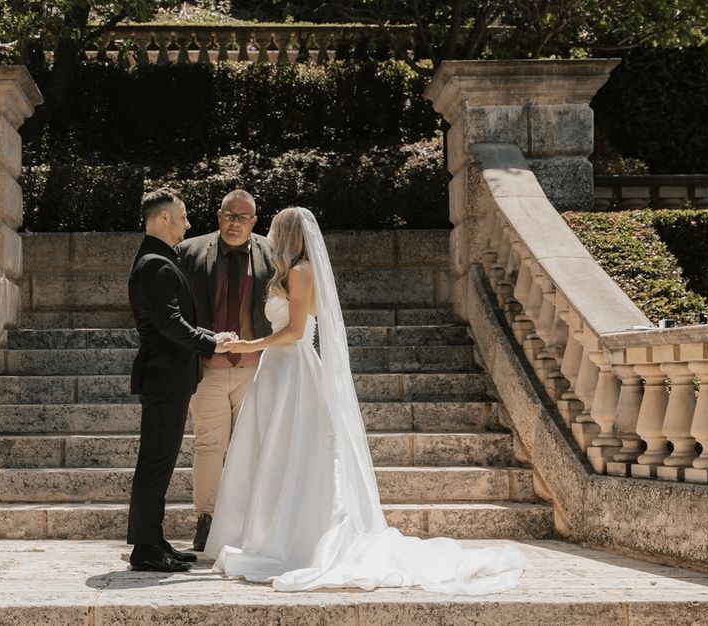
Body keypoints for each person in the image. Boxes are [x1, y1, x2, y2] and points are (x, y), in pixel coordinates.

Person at [203, 207, 526, 593]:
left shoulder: (303, 271)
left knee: (296, 452)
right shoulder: (285, 273)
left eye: (273, 229)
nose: (269, 235)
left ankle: (298, 538)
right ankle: (265, 529)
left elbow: (294, 330)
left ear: (286, 233)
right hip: (274, 371)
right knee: (272, 451)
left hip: (294, 370)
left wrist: (249, 344)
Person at [126, 188, 235, 573]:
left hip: (169, 376)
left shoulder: (157, 259)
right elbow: (169, 323)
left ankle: (153, 541)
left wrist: (209, 338)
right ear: (164, 218)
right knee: (155, 463)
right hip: (163, 377)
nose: (189, 224)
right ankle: (144, 548)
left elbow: (173, 321)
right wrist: (211, 341)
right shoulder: (155, 263)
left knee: (161, 461)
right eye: (183, 216)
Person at [176, 189, 275, 552]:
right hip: (207, 367)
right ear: (218, 216)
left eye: (243, 217)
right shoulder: (189, 252)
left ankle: (248, 522)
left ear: (254, 221)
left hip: (255, 369)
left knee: (251, 446)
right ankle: (207, 519)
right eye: (229, 216)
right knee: (209, 444)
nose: (235, 223)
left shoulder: (271, 252)